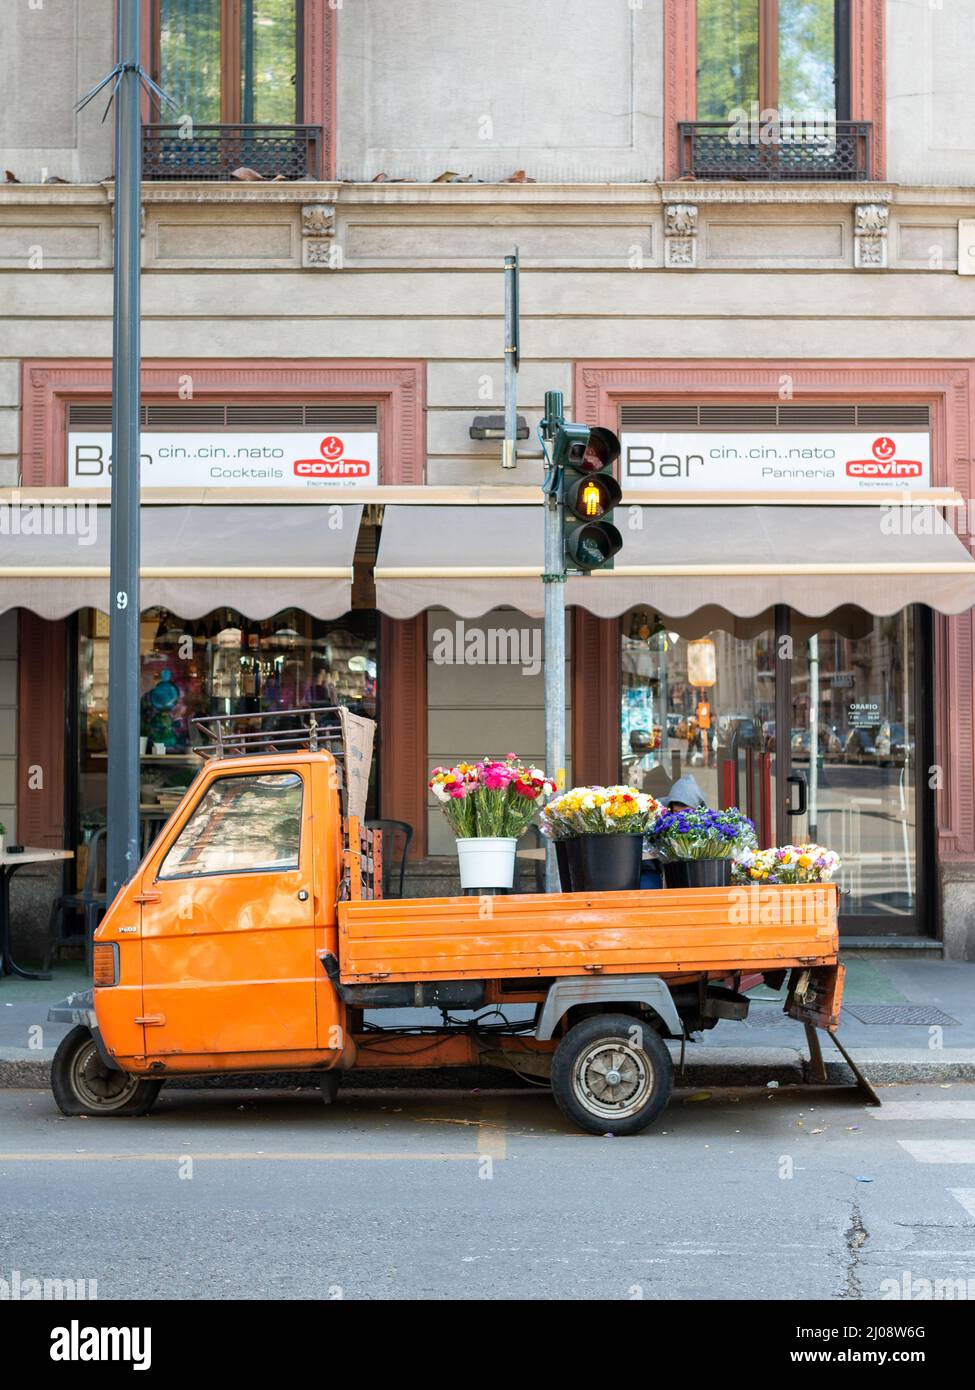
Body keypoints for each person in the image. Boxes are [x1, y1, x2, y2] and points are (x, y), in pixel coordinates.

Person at [640, 775, 709, 888]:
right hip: (655, 871)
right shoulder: (657, 819)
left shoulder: (707, 828)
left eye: (686, 812)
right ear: (670, 808)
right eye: (676, 811)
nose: (681, 816)